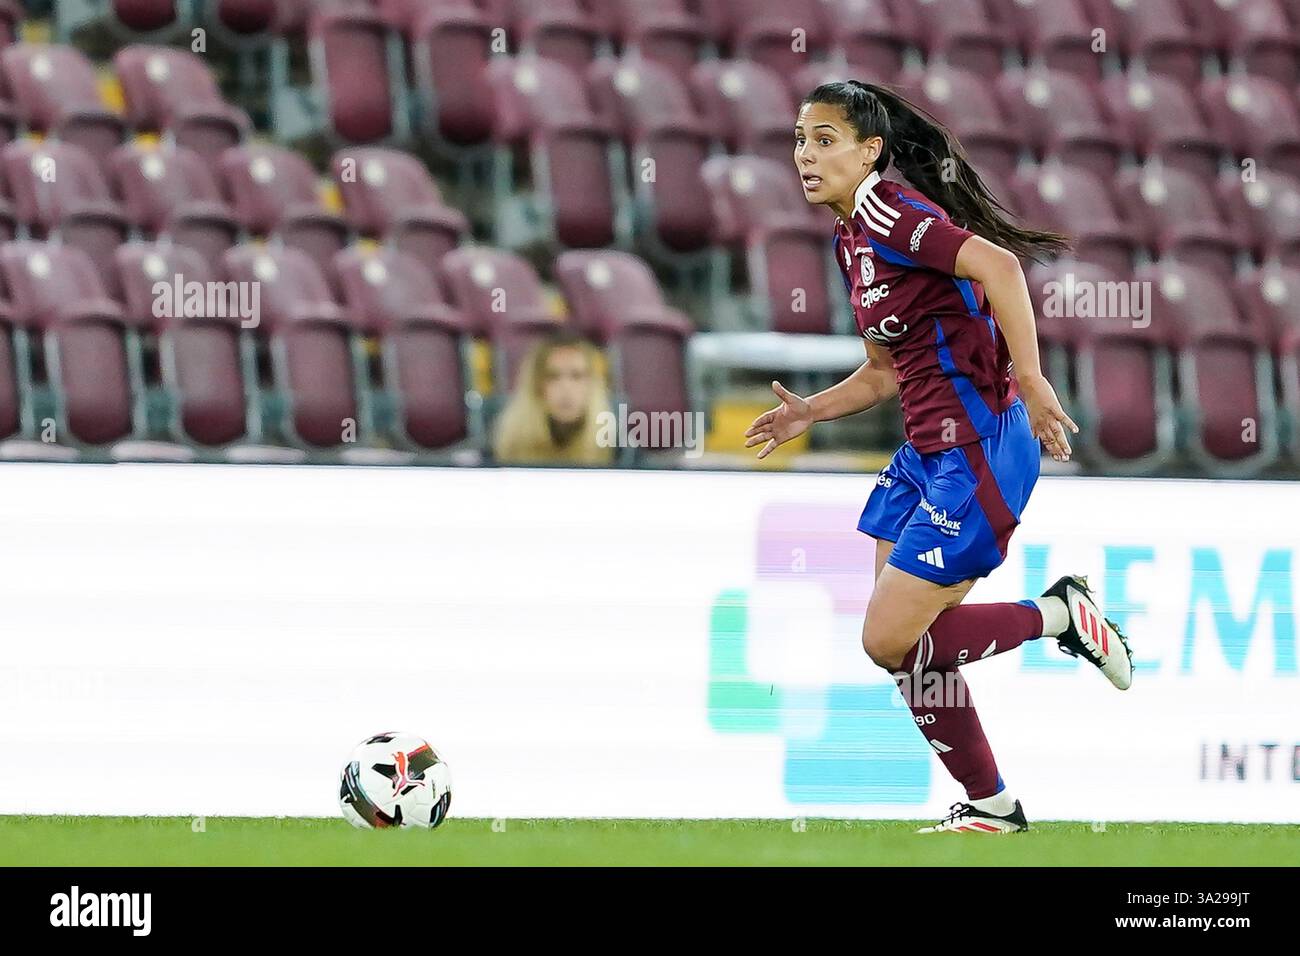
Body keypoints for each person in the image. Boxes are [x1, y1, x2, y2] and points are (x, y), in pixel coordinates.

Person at [744, 80, 1134, 833]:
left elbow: (1002, 269)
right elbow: (885, 372)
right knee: (910, 652)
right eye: (800, 139)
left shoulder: (892, 213)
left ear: (871, 152)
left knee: (887, 639)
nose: (805, 155)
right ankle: (993, 805)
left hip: (981, 447)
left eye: (824, 140)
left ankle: (1060, 614)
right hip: (926, 452)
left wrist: (1029, 374)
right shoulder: (850, 237)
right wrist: (809, 413)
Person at [493, 329, 614, 466]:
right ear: (536, 386)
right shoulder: (503, 448)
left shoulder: (618, 451)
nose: (566, 388)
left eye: (577, 375)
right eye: (553, 376)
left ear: (592, 385)